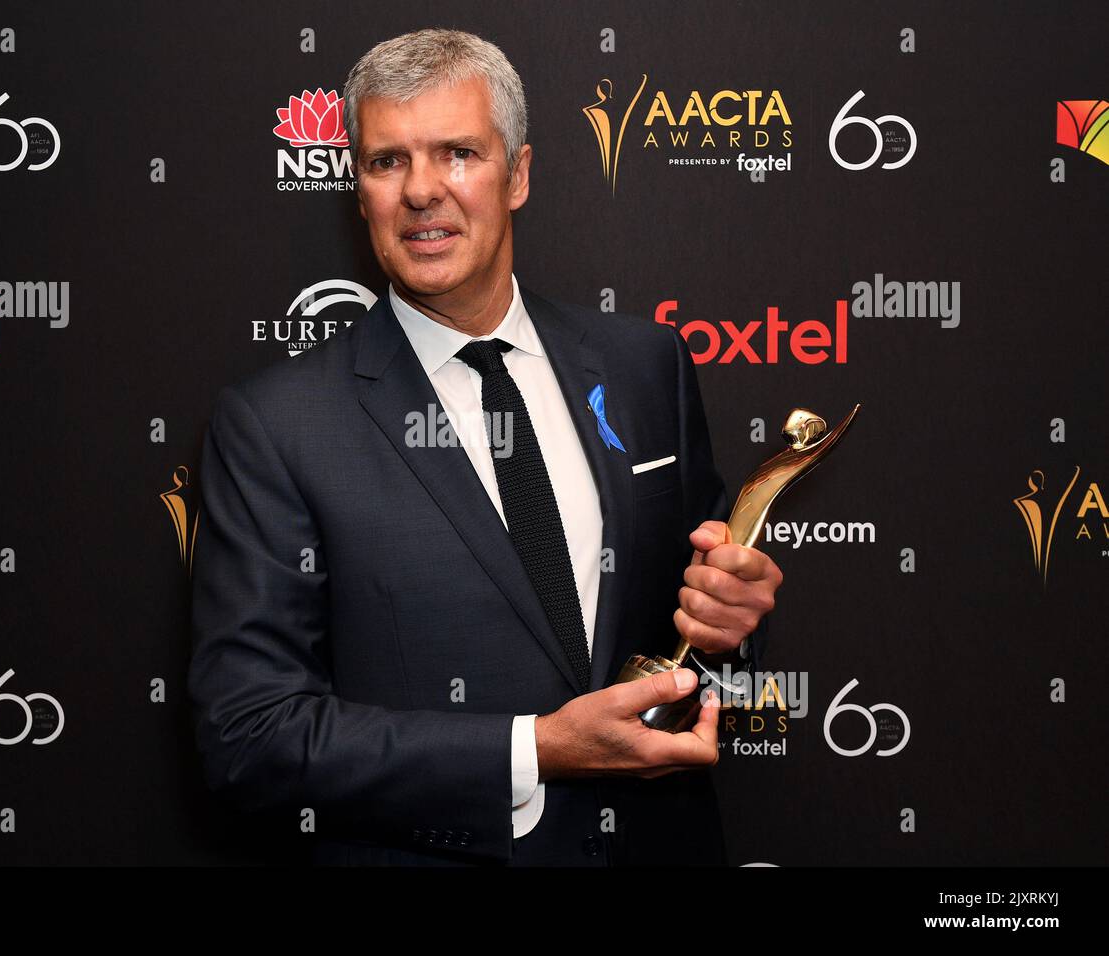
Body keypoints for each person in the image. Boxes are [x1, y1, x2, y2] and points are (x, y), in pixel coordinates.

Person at [188, 28, 782, 866]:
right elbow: (248, 736)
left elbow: (707, 621)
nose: (423, 190)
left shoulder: (645, 364)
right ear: (359, 193)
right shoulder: (279, 426)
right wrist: (534, 747)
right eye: (388, 162)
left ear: (520, 175)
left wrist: (731, 623)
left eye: (458, 152)